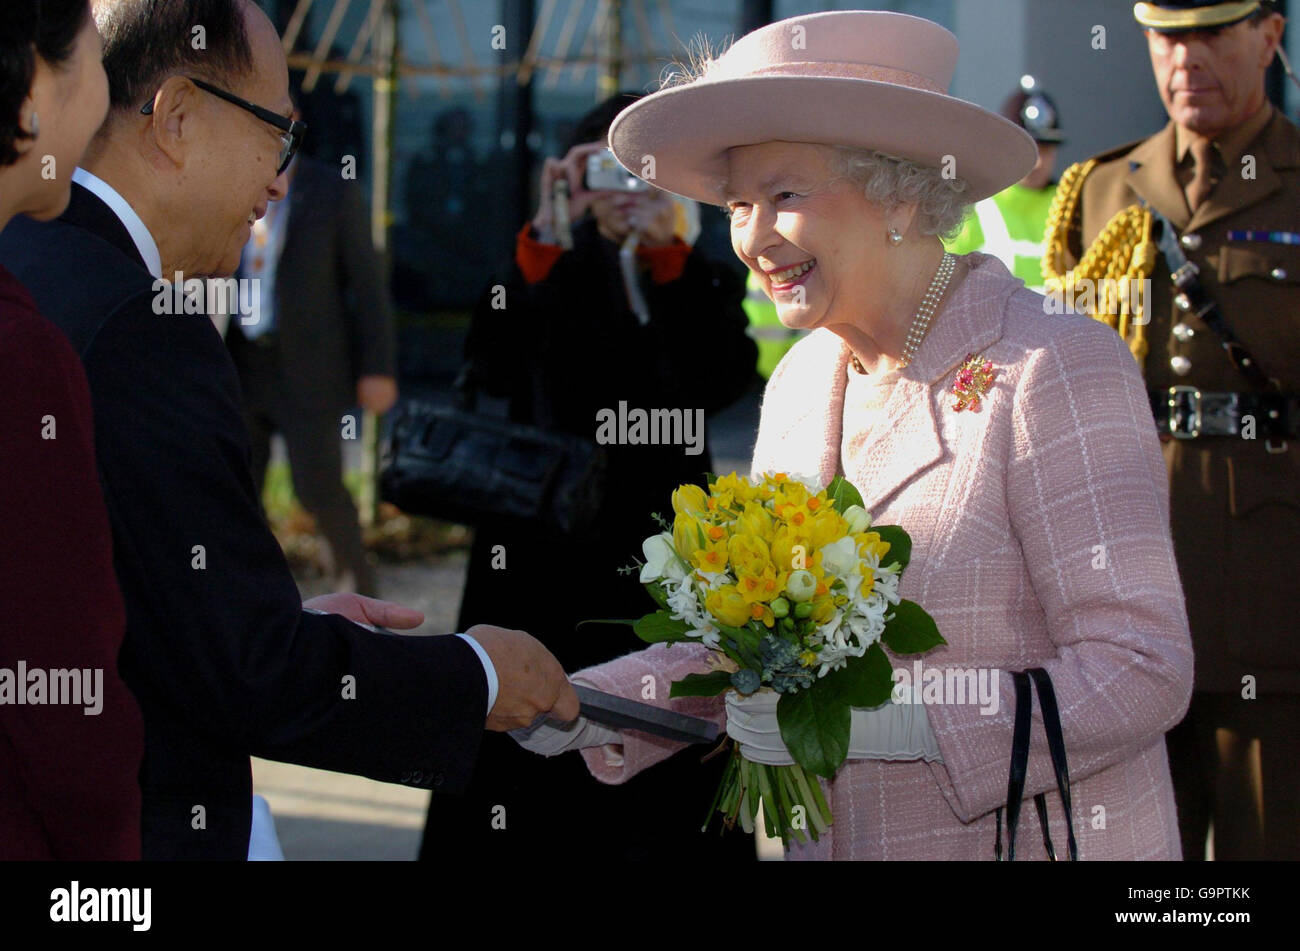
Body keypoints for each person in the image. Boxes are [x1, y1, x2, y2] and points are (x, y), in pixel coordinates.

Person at [513, 10, 1195, 860]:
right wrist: (587, 705)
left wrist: (896, 725)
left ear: (899, 189)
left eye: (786, 195)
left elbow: (1141, 665)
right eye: (736, 204)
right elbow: (752, 651)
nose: (754, 237)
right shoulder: (803, 380)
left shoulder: (1053, 363)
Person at [0, 0, 576, 860]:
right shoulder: (141, 323)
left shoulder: (30, 262)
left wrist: (290, 626)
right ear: (179, 118)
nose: (279, 180)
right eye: (278, 133)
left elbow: (148, 614)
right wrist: (478, 675)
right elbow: (246, 671)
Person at [419, 93, 757, 863]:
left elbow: (723, 374)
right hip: (538, 549)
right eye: (601, 170)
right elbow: (490, 360)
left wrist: (668, 259)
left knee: (667, 724)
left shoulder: (687, 268)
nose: (621, 189)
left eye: (639, 172)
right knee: (526, 739)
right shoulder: (544, 258)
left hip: (662, 552)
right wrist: (546, 230)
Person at [1042, 0, 1299, 860]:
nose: (1185, 57)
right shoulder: (1100, 188)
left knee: (1270, 829)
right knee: (1137, 846)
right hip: (1127, 573)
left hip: (1274, 575)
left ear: (1269, 34)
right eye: (1167, 37)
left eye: (1211, 33)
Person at [0, 0, 144, 861]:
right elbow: (60, 690)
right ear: (28, 85)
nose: (104, 104)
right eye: (95, 64)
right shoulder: (21, 356)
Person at [227, 149, 395, 596]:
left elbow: (367, 283)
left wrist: (377, 367)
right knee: (234, 491)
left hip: (309, 367)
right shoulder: (226, 179)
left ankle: (359, 603)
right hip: (238, 360)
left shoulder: (333, 190)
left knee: (320, 491)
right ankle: (248, 605)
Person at [944, 75, 1063, 291]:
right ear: (1004, 147)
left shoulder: (1072, 209)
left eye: (1045, 149)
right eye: (1030, 149)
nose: (1037, 163)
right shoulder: (973, 210)